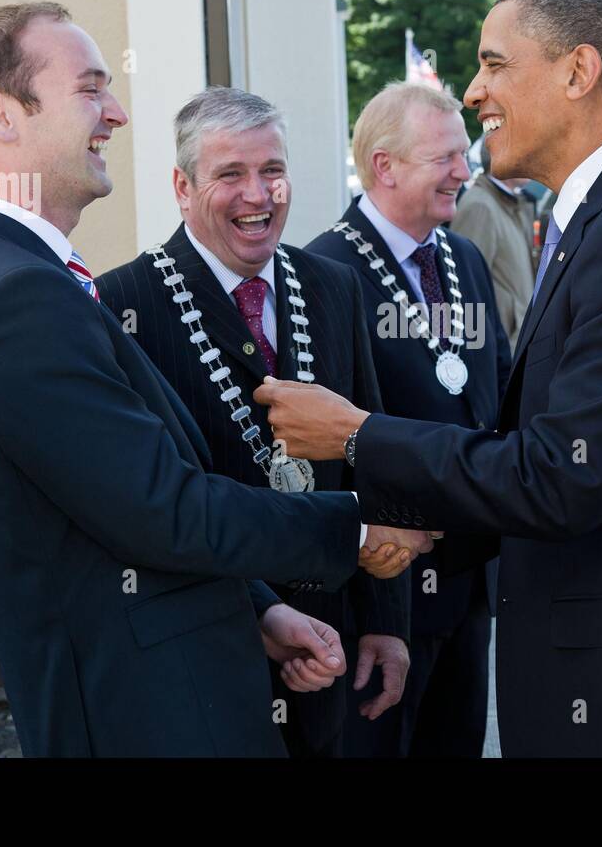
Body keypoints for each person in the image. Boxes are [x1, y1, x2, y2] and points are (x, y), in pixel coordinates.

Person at [257, 0, 602, 757]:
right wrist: (418, 531)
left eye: (495, 64)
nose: (474, 91)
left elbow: (560, 476)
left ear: (578, 73)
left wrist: (355, 435)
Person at [0, 2, 427, 757]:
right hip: (148, 717)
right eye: (90, 88)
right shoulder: (16, 297)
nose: (116, 113)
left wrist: (262, 611)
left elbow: (121, 504)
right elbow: (164, 509)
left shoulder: (17, 276)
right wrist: (354, 528)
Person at [95, 87, 411, 757]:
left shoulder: (333, 285)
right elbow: (146, 504)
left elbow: (370, 455)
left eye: (271, 171)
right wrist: (261, 608)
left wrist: (387, 621)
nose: (257, 195)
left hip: (332, 645)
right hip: (209, 643)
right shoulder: (123, 304)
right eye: (230, 174)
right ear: (182, 188)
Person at [307, 81, 510, 757]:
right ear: (384, 166)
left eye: (464, 154)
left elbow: (493, 392)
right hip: (381, 595)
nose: (463, 171)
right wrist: (377, 609)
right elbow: (323, 455)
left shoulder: (463, 258)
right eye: (444, 157)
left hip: (468, 584)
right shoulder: (324, 270)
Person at [451, 141, 537, 349]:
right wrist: (484, 354)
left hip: (516, 343)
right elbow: (466, 289)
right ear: (500, 156)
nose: (532, 158)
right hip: (501, 348)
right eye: (525, 150)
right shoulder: (479, 206)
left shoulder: (515, 203)